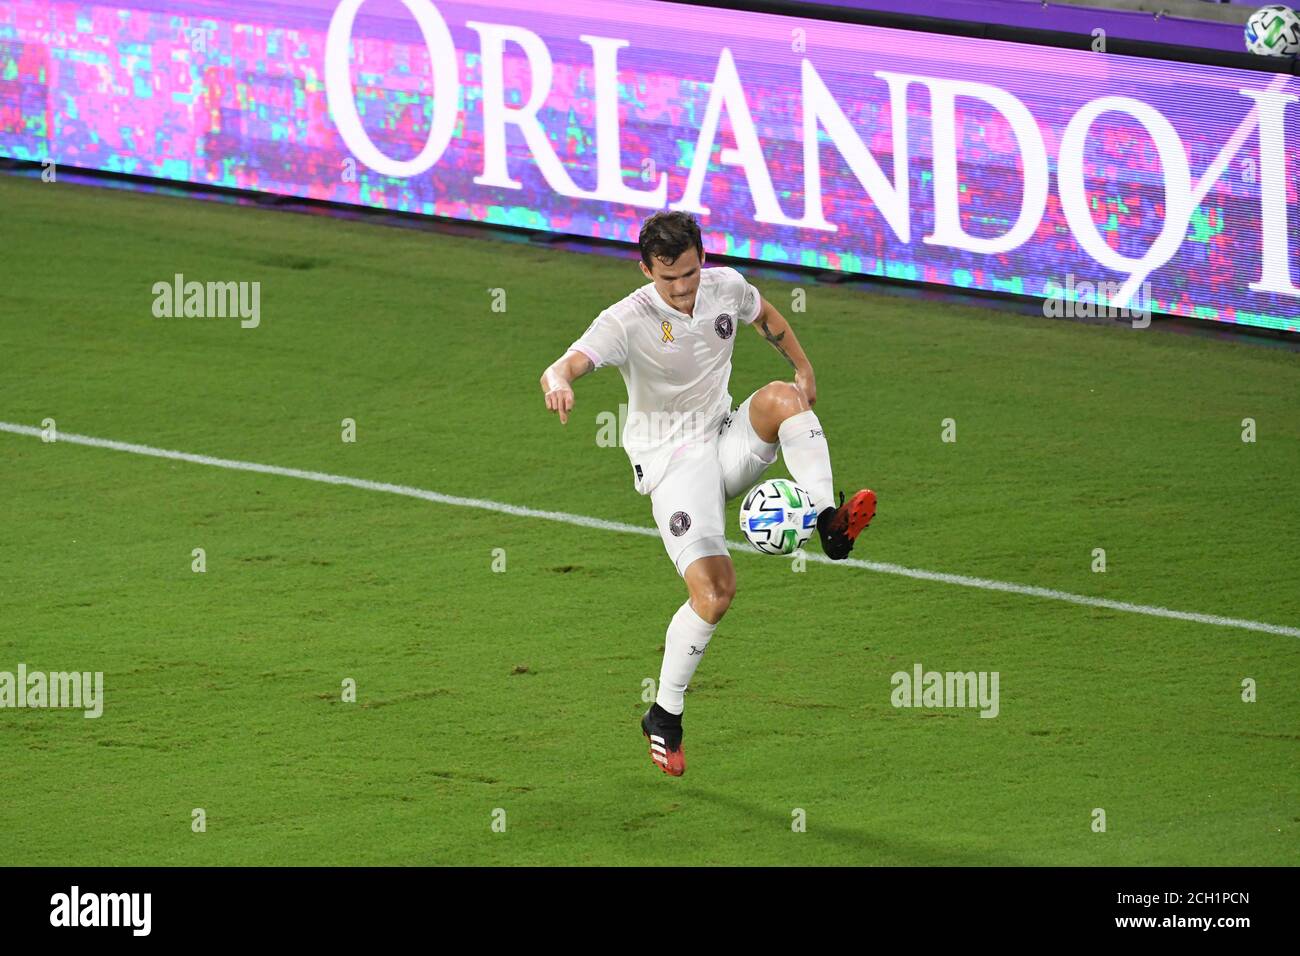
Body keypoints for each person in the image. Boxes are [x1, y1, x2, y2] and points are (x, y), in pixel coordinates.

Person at [539, 211, 876, 776]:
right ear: (646, 269)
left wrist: (803, 367)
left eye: (690, 273)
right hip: (673, 464)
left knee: (780, 399)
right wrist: (560, 386)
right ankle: (664, 715)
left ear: (702, 258)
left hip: (722, 438)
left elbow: (764, 315)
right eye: (669, 278)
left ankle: (826, 521)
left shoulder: (725, 287)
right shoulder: (625, 320)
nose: (683, 287)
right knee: (716, 593)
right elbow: (563, 364)